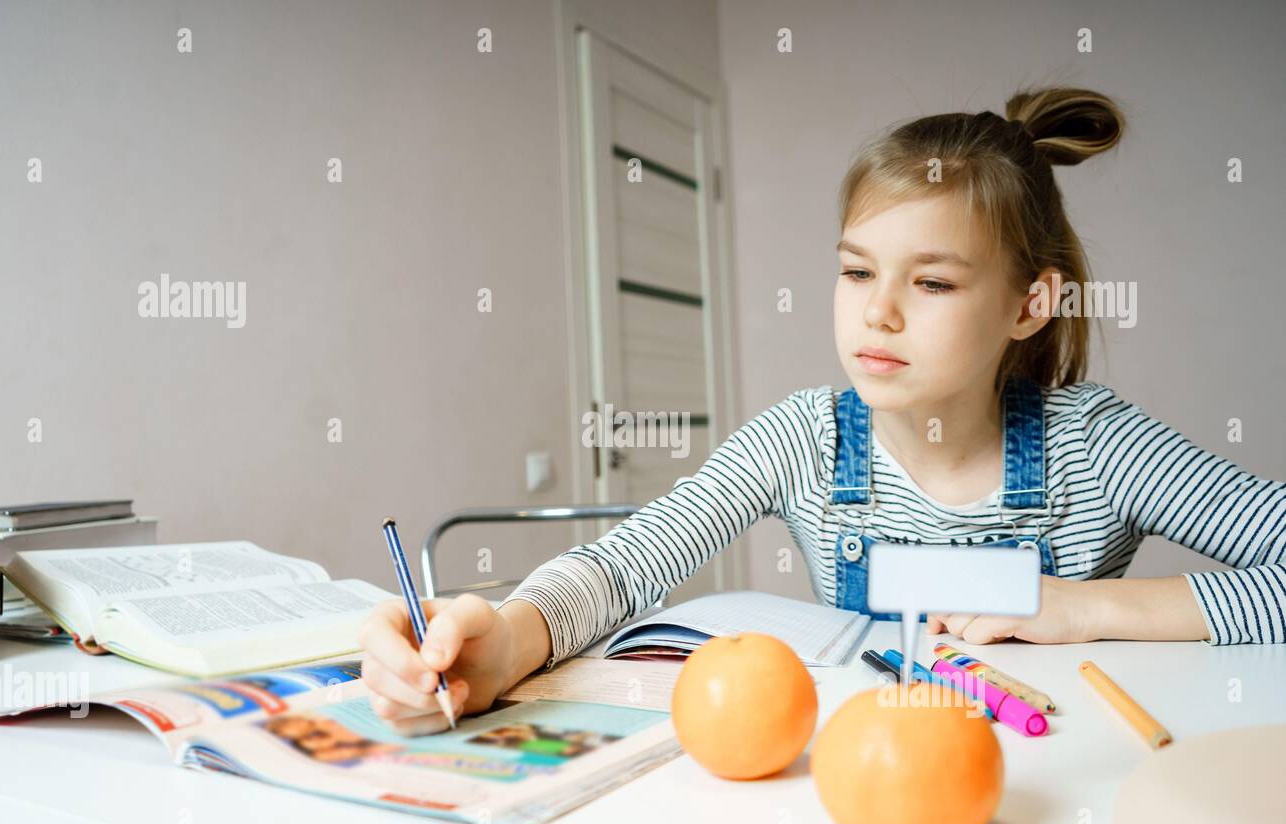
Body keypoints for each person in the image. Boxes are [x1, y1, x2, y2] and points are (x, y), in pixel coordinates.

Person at [360, 87, 1286, 736]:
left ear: (1028, 305)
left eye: (930, 281)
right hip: (862, 781)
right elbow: (624, 567)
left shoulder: (1096, 444)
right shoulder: (804, 437)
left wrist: (1082, 611)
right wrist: (509, 638)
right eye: (855, 272)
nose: (876, 312)